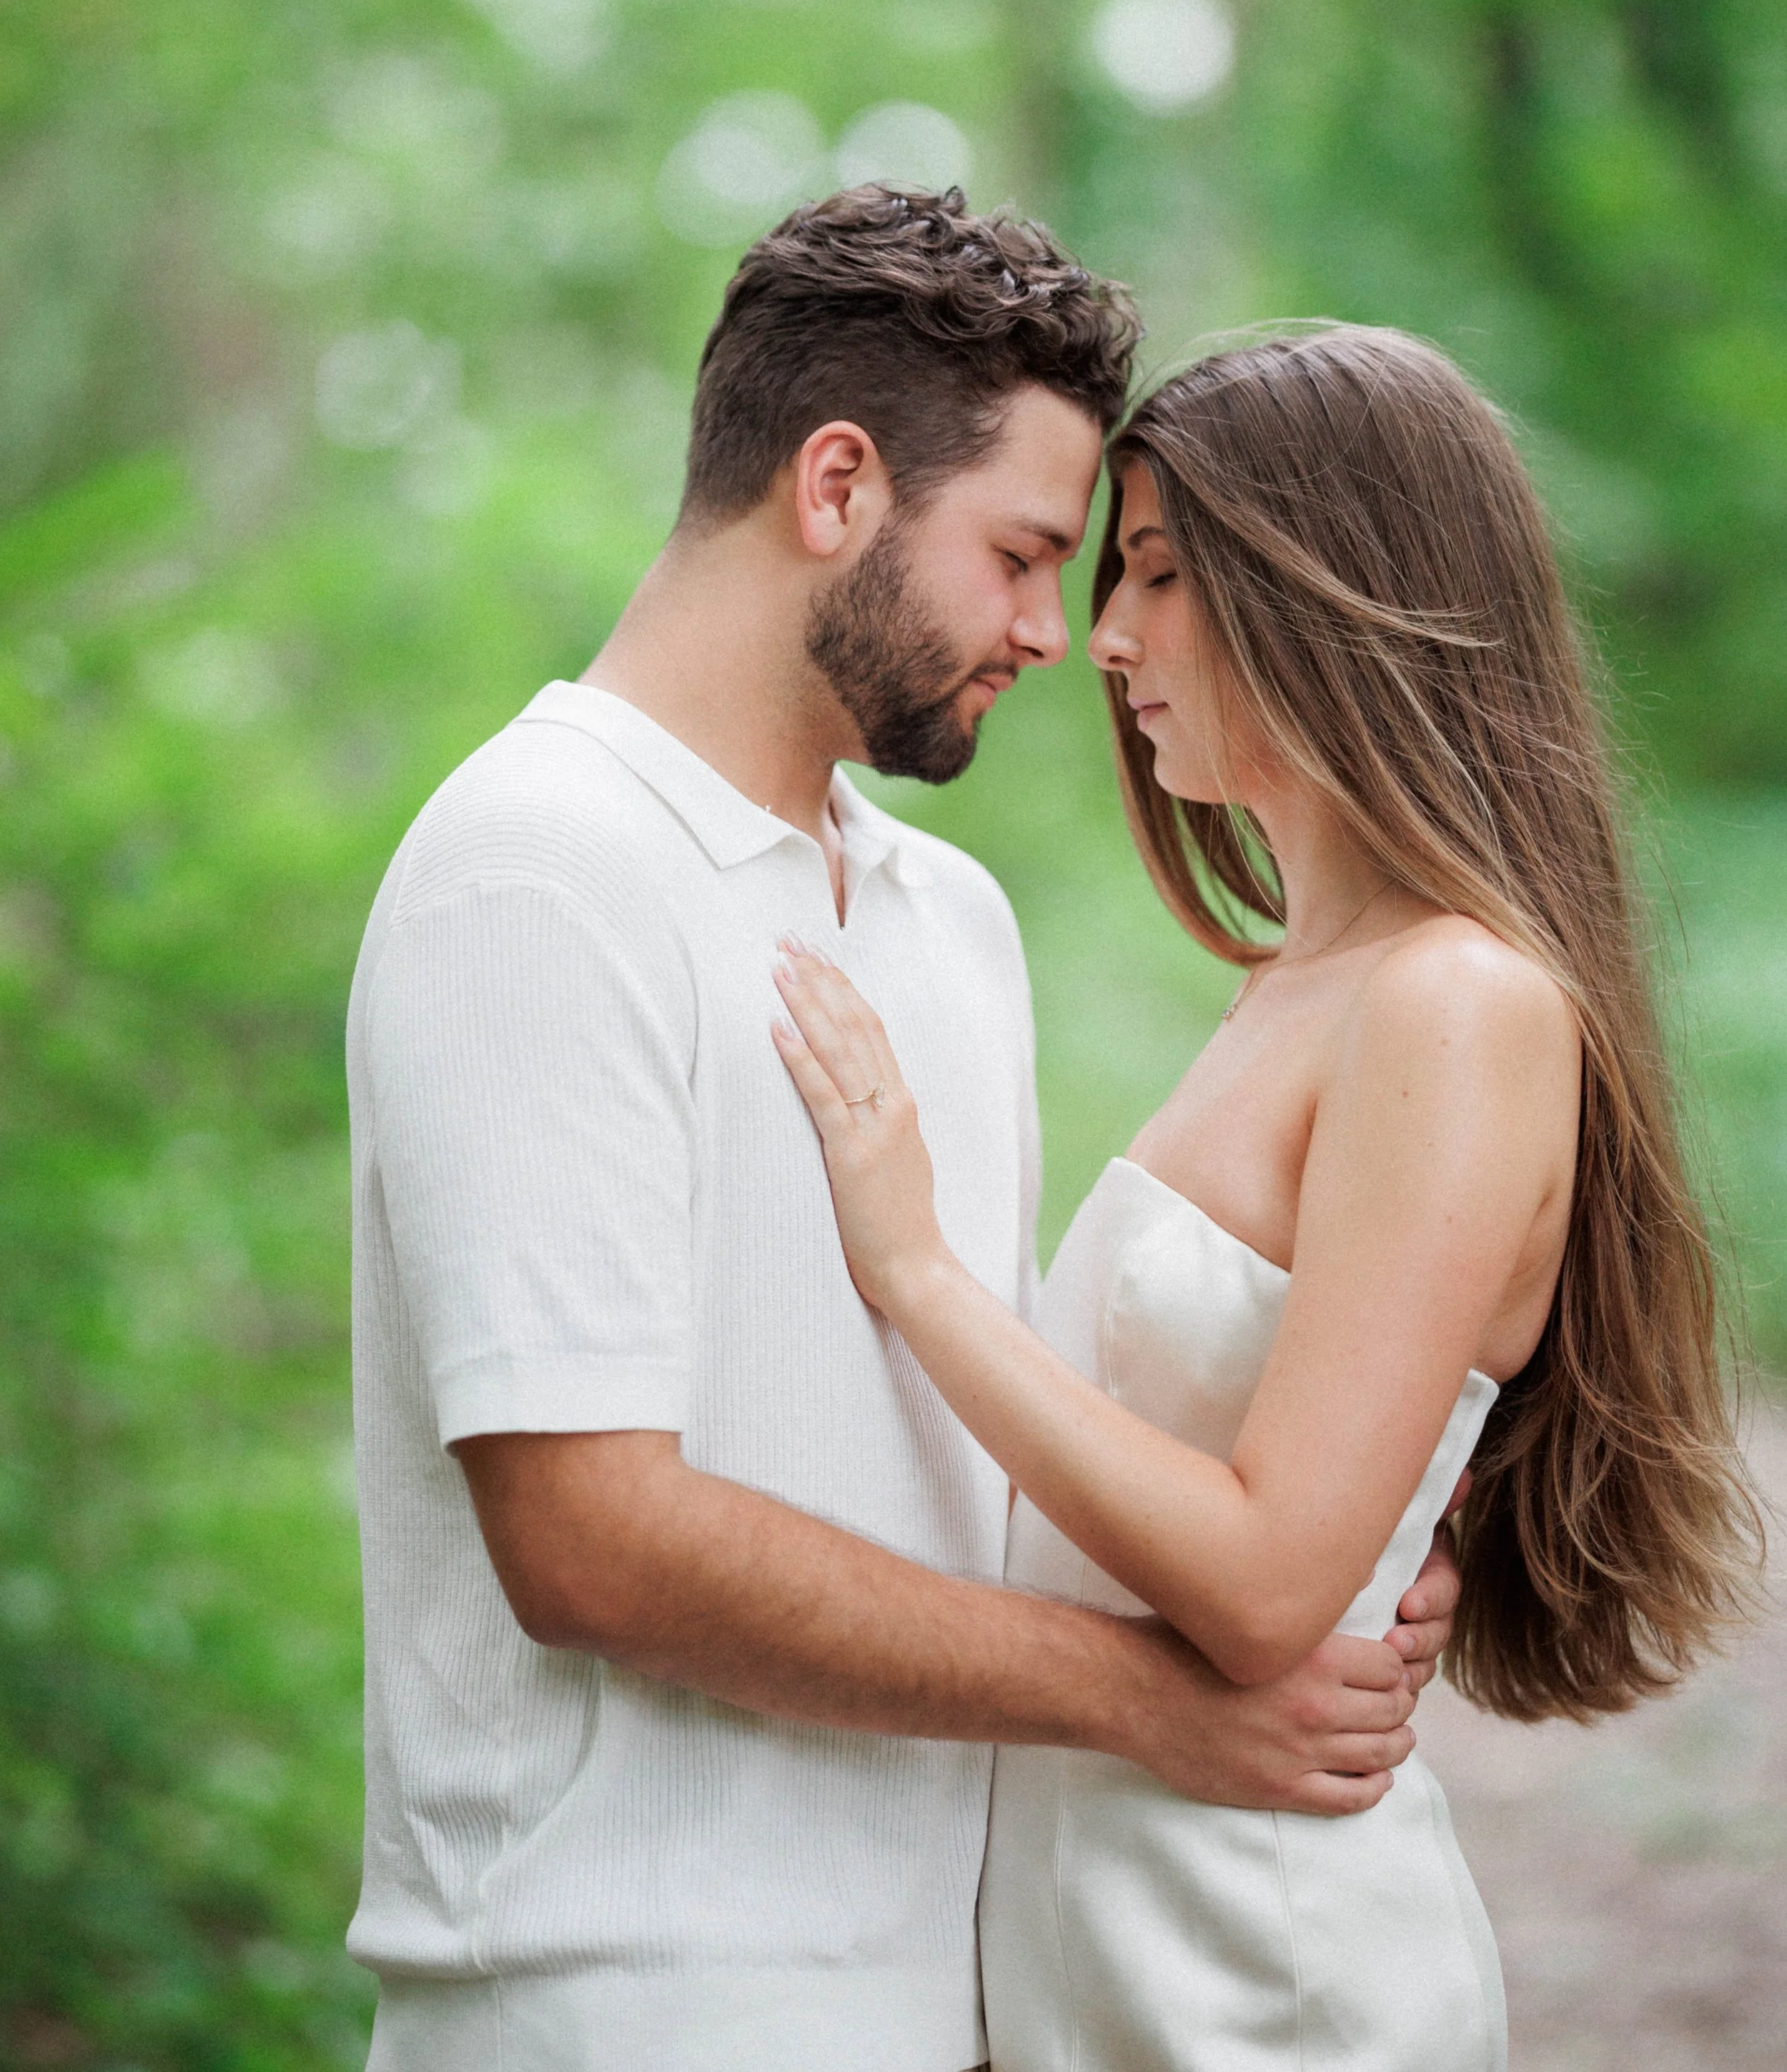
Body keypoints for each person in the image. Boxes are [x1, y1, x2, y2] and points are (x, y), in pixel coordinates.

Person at [346, 205, 1465, 2072]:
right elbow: (589, 1544)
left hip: (950, 1995)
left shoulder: (949, 923)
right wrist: (1154, 1704)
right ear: (837, 485)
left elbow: (986, 1462)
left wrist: (1346, 1555)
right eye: (1023, 555)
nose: (1063, 634)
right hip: (622, 2005)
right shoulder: (539, 864)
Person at [773, 323, 1762, 2072]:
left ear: (1333, 585)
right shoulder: (1285, 988)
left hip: (1259, 1972)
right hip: (1109, 1942)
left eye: (1156, 573)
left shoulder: (1453, 1001)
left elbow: (1260, 1583)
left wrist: (915, 1269)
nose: (1102, 636)